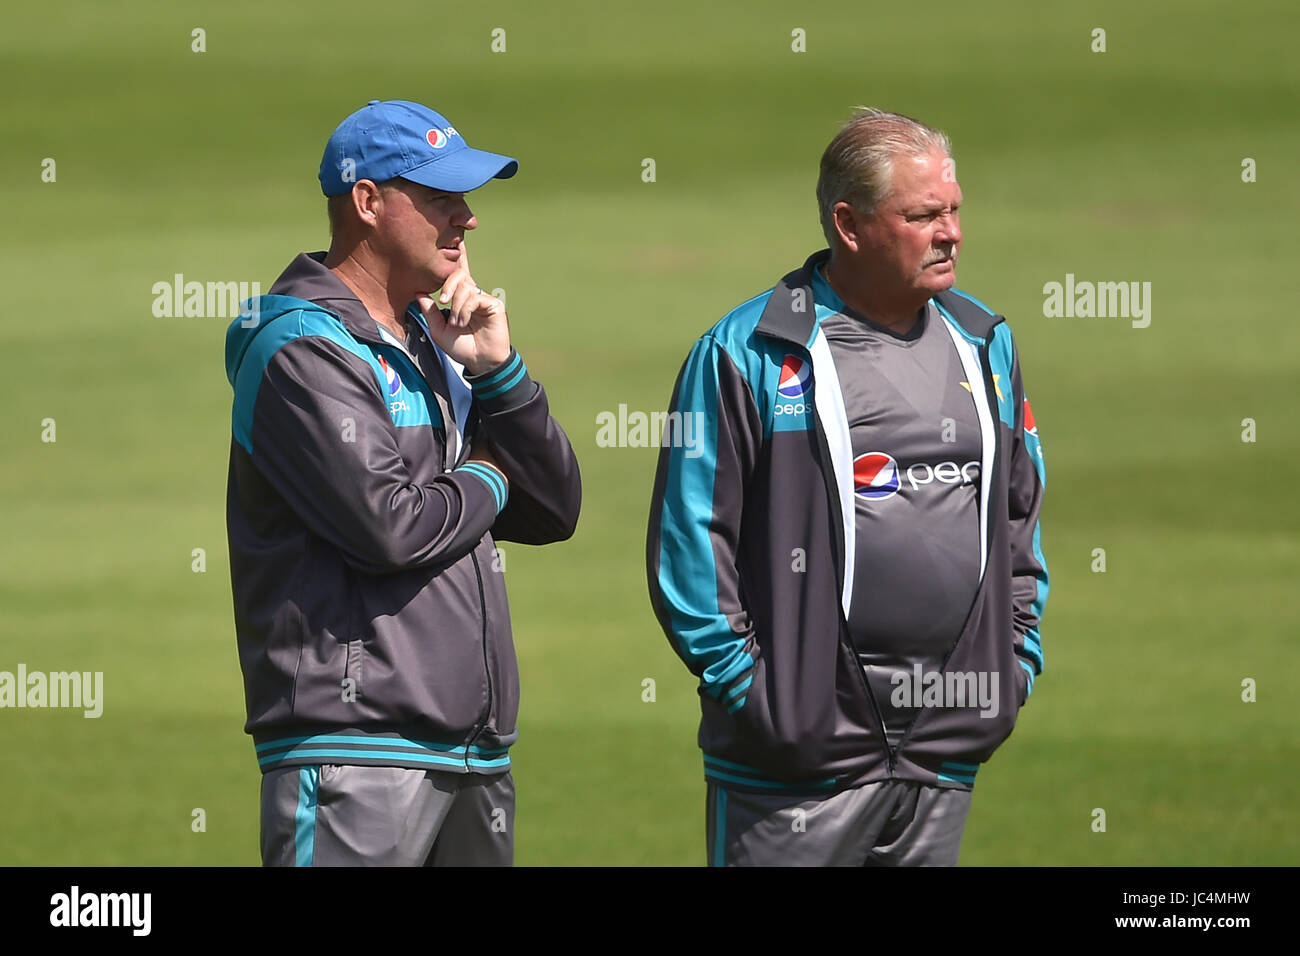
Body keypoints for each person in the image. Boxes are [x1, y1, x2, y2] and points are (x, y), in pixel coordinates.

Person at [646, 108, 1048, 866]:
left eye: (954, 211)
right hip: (795, 765)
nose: (950, 232)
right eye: (923, 215)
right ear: (849, 224)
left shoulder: (986, 342)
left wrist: (1011, 666)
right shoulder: (750, 353)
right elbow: (693, 544)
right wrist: (770, 703)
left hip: (944, 744)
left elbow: (1020, 516)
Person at [224, 99, 581, 866]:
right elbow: (392, 526)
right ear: (367, 202)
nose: (468, 219)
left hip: (472, 753)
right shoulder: (298, 349)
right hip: (354, 749)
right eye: (440, 198)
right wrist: (488, 472)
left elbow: (554, 507)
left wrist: (498, 374)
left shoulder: (434, 341)